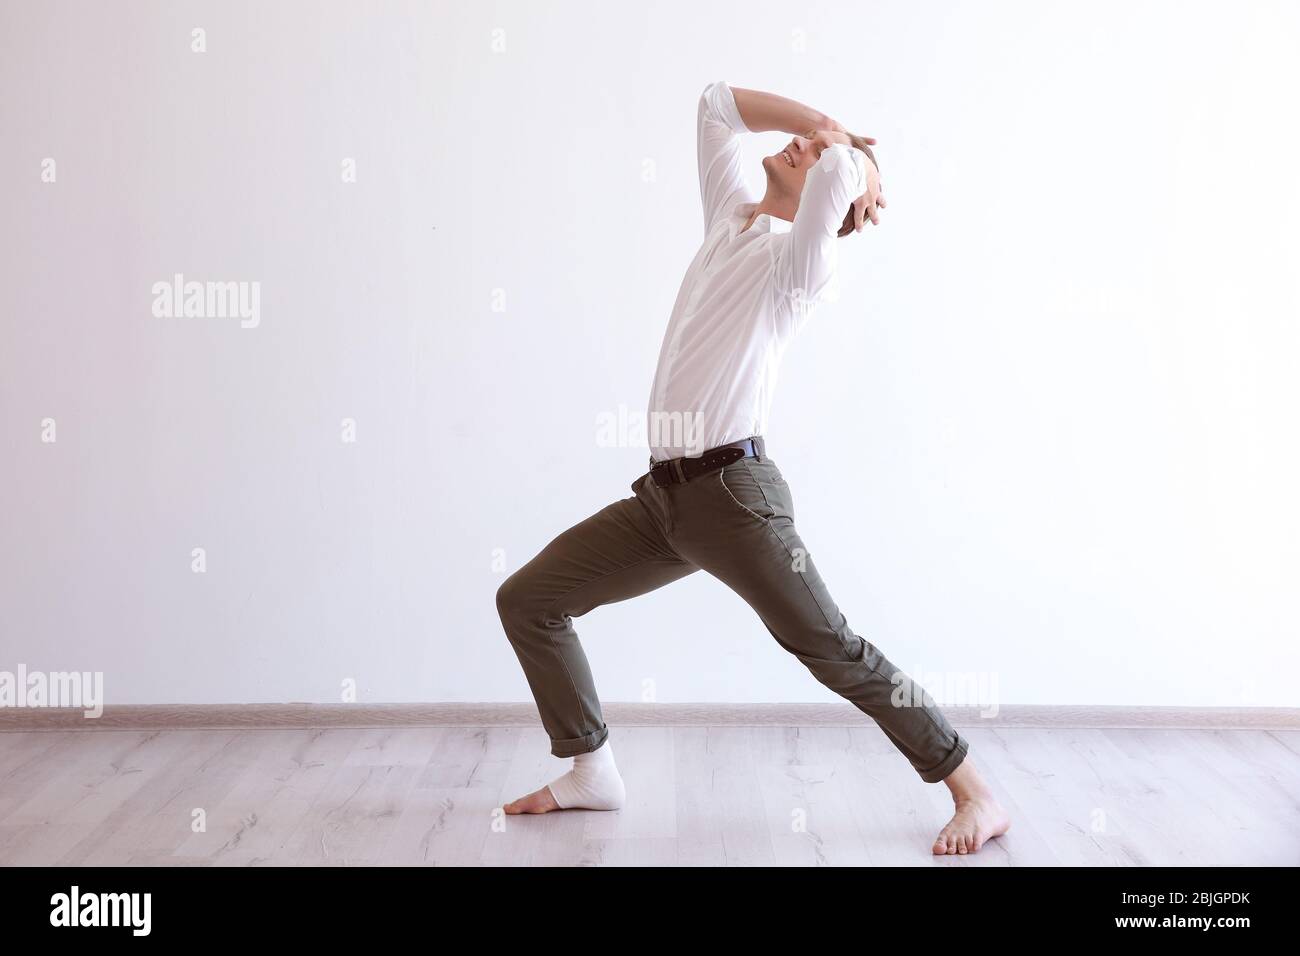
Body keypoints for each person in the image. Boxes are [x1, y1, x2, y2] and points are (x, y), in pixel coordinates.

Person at [496, 81, 1010, 855]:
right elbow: (712, 106)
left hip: (734, 498)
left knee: (833, 649)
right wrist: (821, 124)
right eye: (809, 137)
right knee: (529, 597)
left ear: (832, 206)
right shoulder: (729, 224)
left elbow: (836, 182)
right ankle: (590, 770)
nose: (805, 144)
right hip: (666, 504)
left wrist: (852, 163)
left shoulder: (801, 271)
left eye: (818, 154)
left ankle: (975, 790)